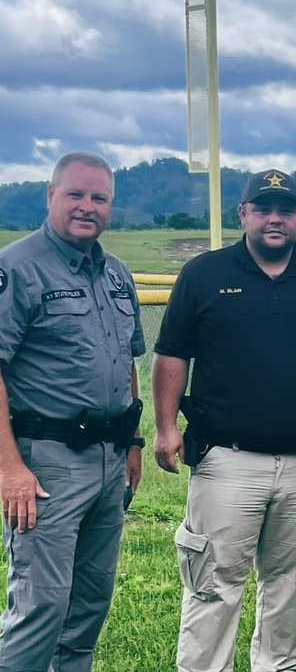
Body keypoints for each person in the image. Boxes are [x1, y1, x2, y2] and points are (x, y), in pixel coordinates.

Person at [152, 169, 296, 671]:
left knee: (292, 584)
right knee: (213, 585)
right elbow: (173, 354)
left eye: (285, 209)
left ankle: (280, 665)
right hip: (226, 459)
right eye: (263, 209)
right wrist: (167, 426)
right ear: (243, 214)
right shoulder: (205, 273)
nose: (275, 219)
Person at [0, 152, 145, 670]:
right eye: (76, 195)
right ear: (51, 197)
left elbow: (128, 360)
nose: (88, 207)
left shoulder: (116, 274)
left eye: (99, 198)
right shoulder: (17, 267)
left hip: (108, 460)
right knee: (41, 605)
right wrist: (10, 468)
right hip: (47, 462)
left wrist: (133, 443)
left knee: (88, 606)